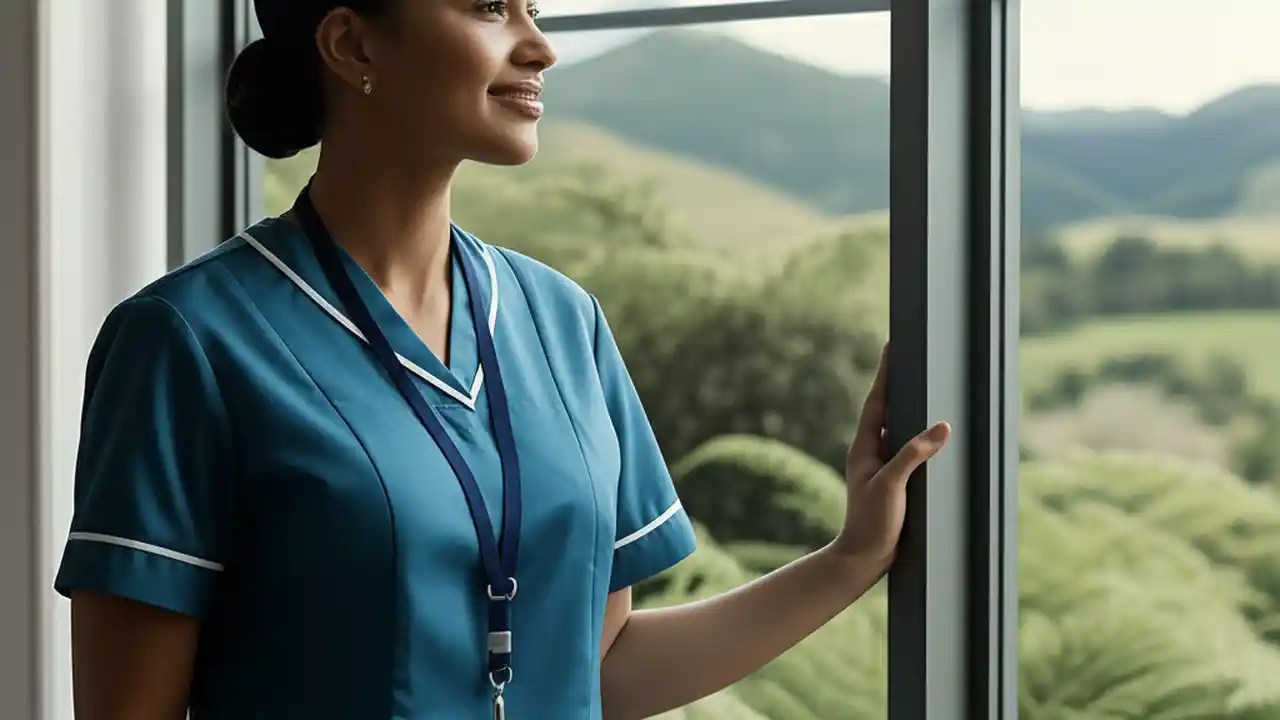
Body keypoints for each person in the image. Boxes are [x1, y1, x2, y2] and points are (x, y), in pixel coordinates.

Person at [54, 0, 952, 717]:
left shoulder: (563, 321)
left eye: (535, 9)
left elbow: (600, 670)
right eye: (490, 7)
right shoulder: (187, 340)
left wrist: (850, 559)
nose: (539, 46)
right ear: (352, 43)